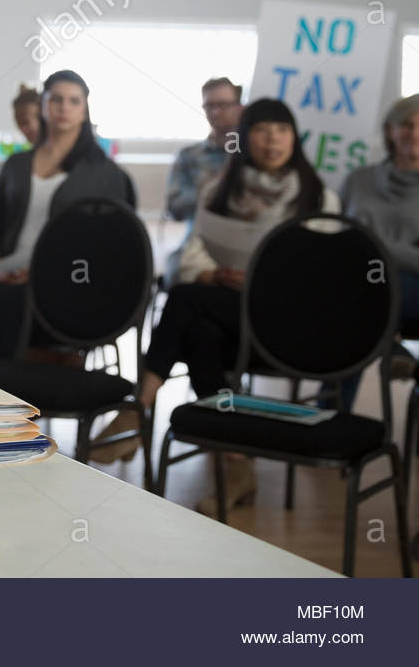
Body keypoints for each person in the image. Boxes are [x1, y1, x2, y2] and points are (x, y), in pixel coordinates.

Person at [95, 99, 339, 514]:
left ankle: (138, 408)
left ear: (294, 138)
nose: (273, 138)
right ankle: (237, 467)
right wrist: (214, 274)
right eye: (262, 130)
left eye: (282, 129)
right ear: (246, 138)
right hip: (227, 315)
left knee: (186, 302)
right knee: (200, 333)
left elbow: (324, 275)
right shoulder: (219, 189)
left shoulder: (319, 196)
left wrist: (265, 279)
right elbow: (191, 253)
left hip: (285, 324)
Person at [0, 70, 135, 368]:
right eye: (56, 99)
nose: (64, 107)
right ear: (44, 105)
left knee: (3, 307)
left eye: (74, 101)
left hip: (65, 280)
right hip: (7, 272)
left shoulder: (104, 174)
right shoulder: (17, 165)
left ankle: (3, 398)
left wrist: (42, 271)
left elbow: (104, 247)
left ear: (85, 109)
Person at [342, 93, 419, 379]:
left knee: (360, 305)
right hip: (354, 280)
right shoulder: (358, 179)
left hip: (408, 287)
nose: (414, 133)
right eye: (407, 125)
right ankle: (396, 355)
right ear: (391, 130)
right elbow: (338, 238)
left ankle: (333, 411)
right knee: (351, 310)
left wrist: (376, 244)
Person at [162, 77, 244, 286]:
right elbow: (175, 209)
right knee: (179, 272)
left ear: (240, 107)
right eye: (210, 106)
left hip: (246, 243)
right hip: (200, 244)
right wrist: (207, 190)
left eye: (224, 105)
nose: (216, 112)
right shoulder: (189, 156)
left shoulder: (255, 155)